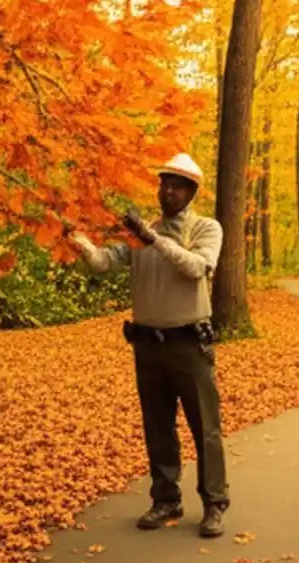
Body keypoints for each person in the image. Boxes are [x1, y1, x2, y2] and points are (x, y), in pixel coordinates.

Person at [70, 153, 229, 538]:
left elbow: (195, 268)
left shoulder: (205, 229)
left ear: (192, 192)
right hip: (148, 344)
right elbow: (103, 262)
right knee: (157, 426)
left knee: (204, 428)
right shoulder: (141, 234)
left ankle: (214, 503)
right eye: (164, 183)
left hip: (189, 344)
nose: (169, 191)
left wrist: (152, 238)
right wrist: (78, 242)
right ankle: (166, 499)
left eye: (177, 186)